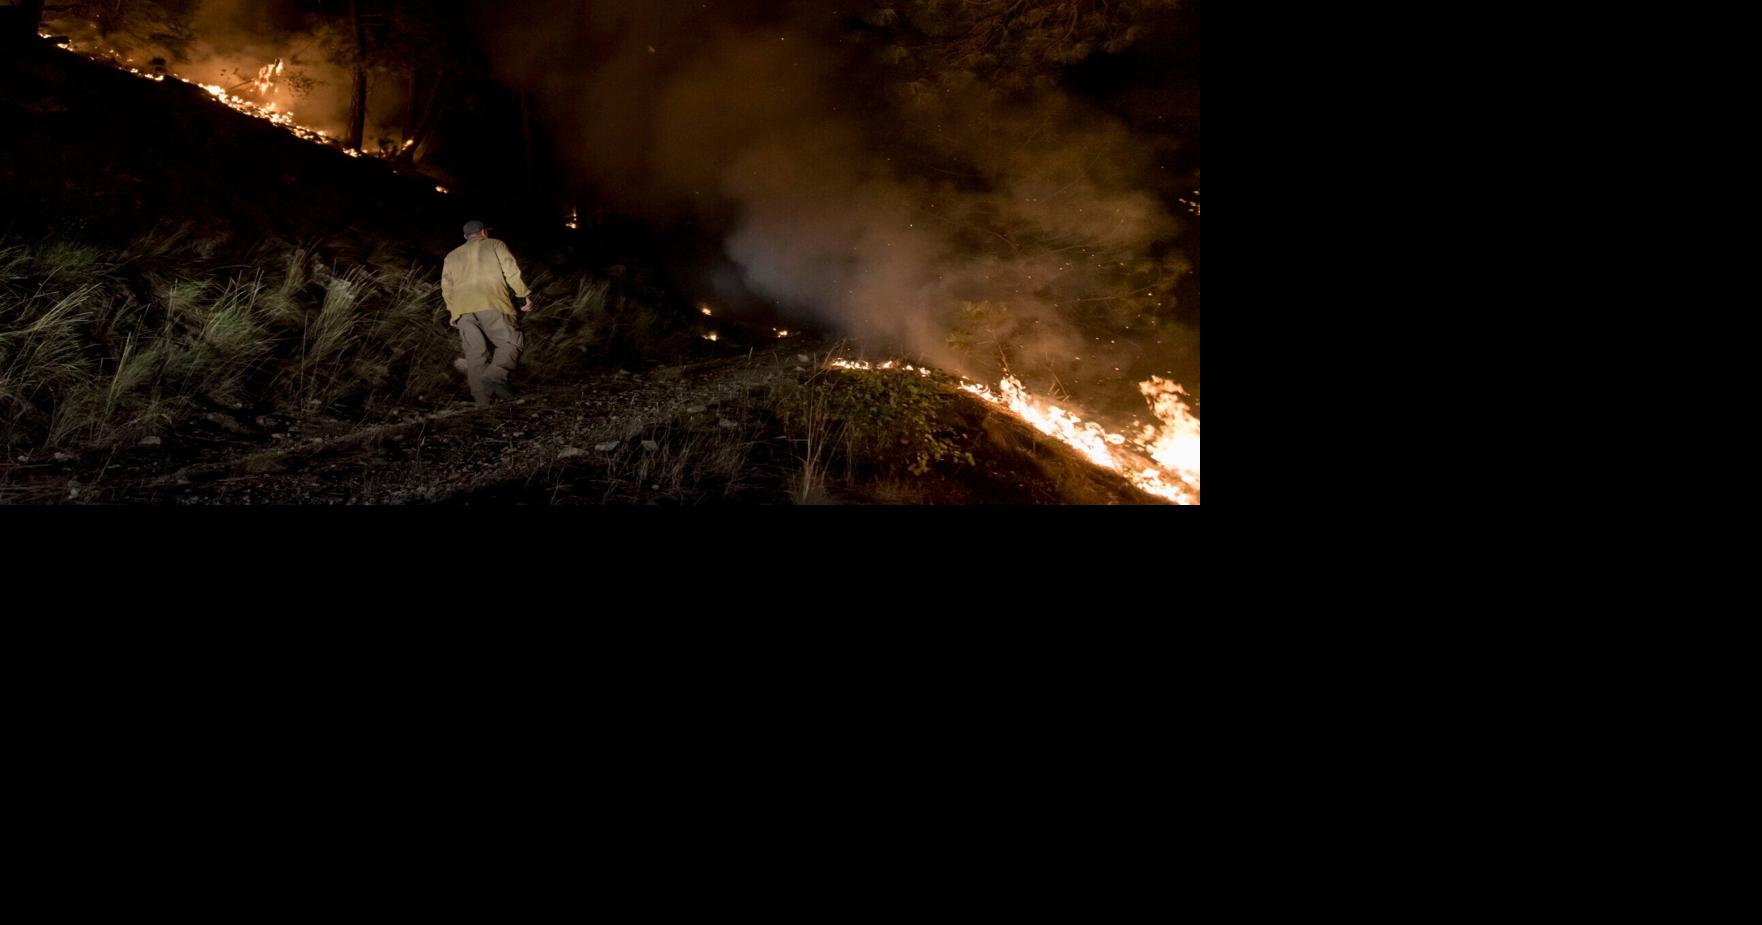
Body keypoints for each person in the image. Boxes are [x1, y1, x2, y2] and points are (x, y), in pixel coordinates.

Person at [441, 220, 532, 406]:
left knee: (475, 355)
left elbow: (446, 288)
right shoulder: (495, 244)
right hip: (493, 303)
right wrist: (523, 294)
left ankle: (482, 401)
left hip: (463, 310)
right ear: (483, 232)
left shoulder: (451, 256)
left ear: (466, 236)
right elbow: (511, 271)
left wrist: (453, 311)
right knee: (511, 341)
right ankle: (495, 376)